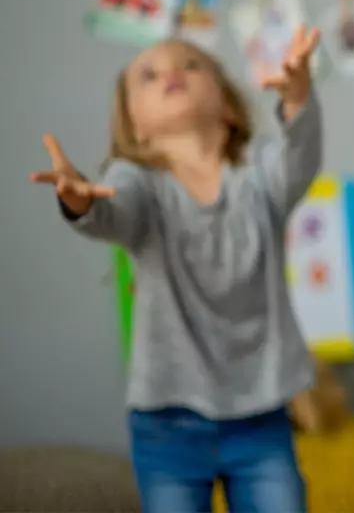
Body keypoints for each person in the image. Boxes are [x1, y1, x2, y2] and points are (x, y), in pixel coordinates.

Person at [30, 29, 323, 512]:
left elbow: (300, 160)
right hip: (167, 422)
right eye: (149, 75)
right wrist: (79, 198)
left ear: (228, 107)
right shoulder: (135, 180)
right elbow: (114, 212)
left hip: (261, 413)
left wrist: (299, 102)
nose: (170, 73)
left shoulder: (260, 172)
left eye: (190, 65)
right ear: (137, 128)